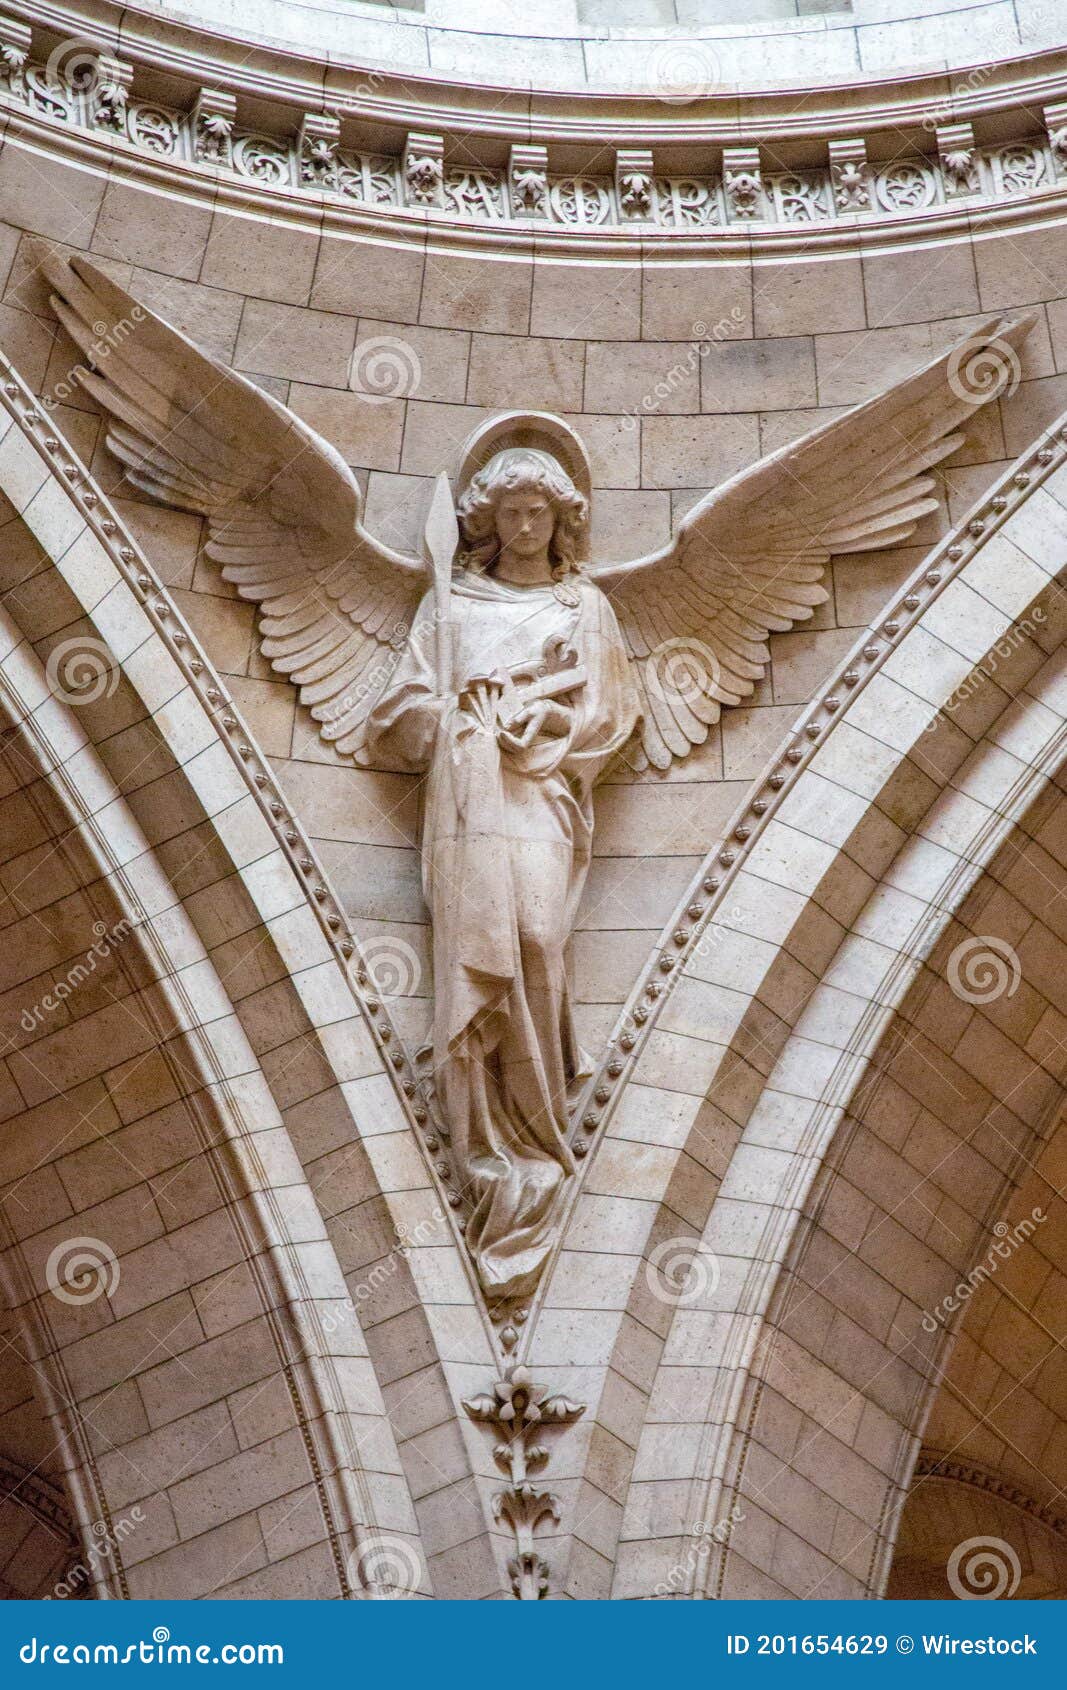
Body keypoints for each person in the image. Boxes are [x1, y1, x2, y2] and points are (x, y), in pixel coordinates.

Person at [366, 448, 639, 1303]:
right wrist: (458, 711)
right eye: (511, 513)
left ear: (562, 522)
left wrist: (543, 720)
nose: (525, 527)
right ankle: (485, 1145)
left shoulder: (582, 606)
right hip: (470, 794)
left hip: (540, 792)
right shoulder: (451, 606)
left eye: (540, 514)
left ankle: (537, 1131)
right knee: (479, 947)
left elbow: (611, 711)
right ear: (487, 521)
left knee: (535, 937)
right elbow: (396, 716)